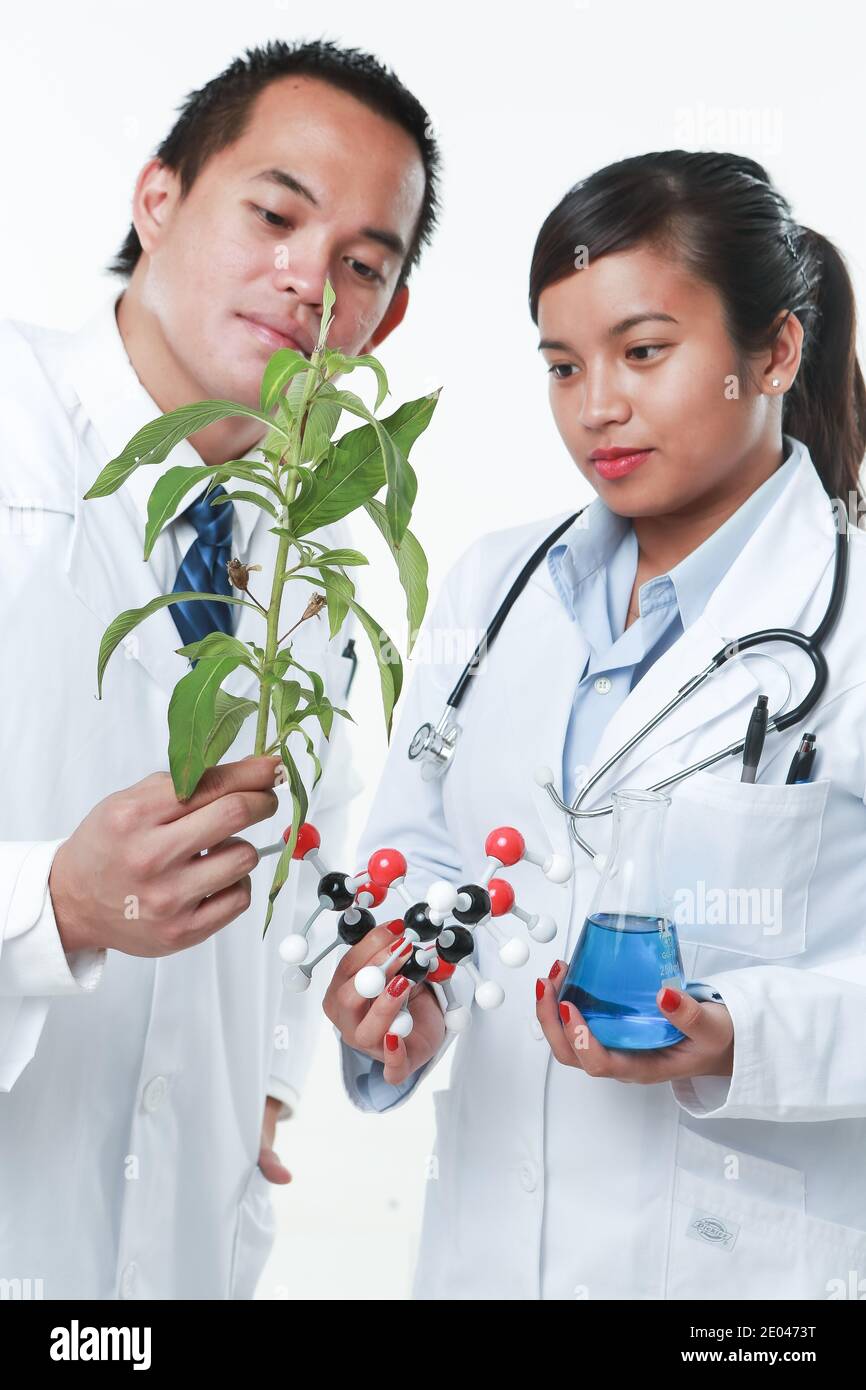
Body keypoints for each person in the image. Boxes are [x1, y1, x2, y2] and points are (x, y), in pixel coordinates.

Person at [324, 150, 866, 1300]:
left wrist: (741, 1036)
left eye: (643, 352)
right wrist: (403, 994)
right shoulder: (489, 587)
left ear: (771, 352)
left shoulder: (849, 621)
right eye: (562, 364)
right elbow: (420, 859)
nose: (596, 406)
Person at [0, 37, 440, 1299]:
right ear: (156, 199)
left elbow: (312, 834)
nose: (311, 280)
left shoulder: (306, 555)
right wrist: (56, 909)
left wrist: (268, 1081)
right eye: (273, 213)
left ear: (385, 316)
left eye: (363, 263)